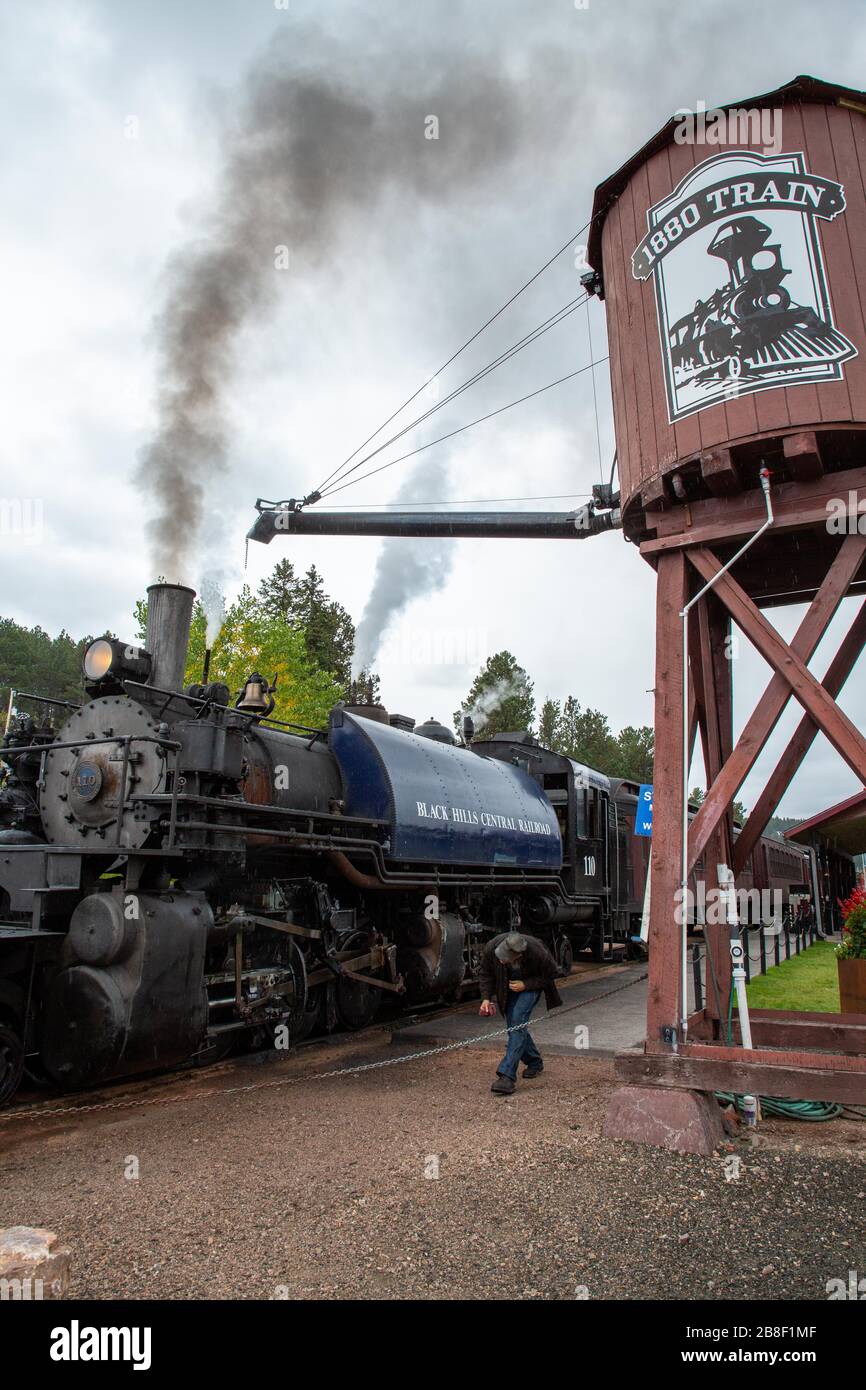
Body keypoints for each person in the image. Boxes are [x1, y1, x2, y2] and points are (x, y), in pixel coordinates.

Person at [478, 932, 562, 1095]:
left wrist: (526, 984)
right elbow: (486, 973)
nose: (501, 961)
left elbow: (552, 974)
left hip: (529, 988)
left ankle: (507, 1076)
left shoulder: (538, 952)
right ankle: (535, 1062)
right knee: (515, 1027)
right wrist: (486, 998)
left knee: (516, 1022)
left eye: (505, 959)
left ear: (519, 955)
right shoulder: (492, 948)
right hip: (507, 988)